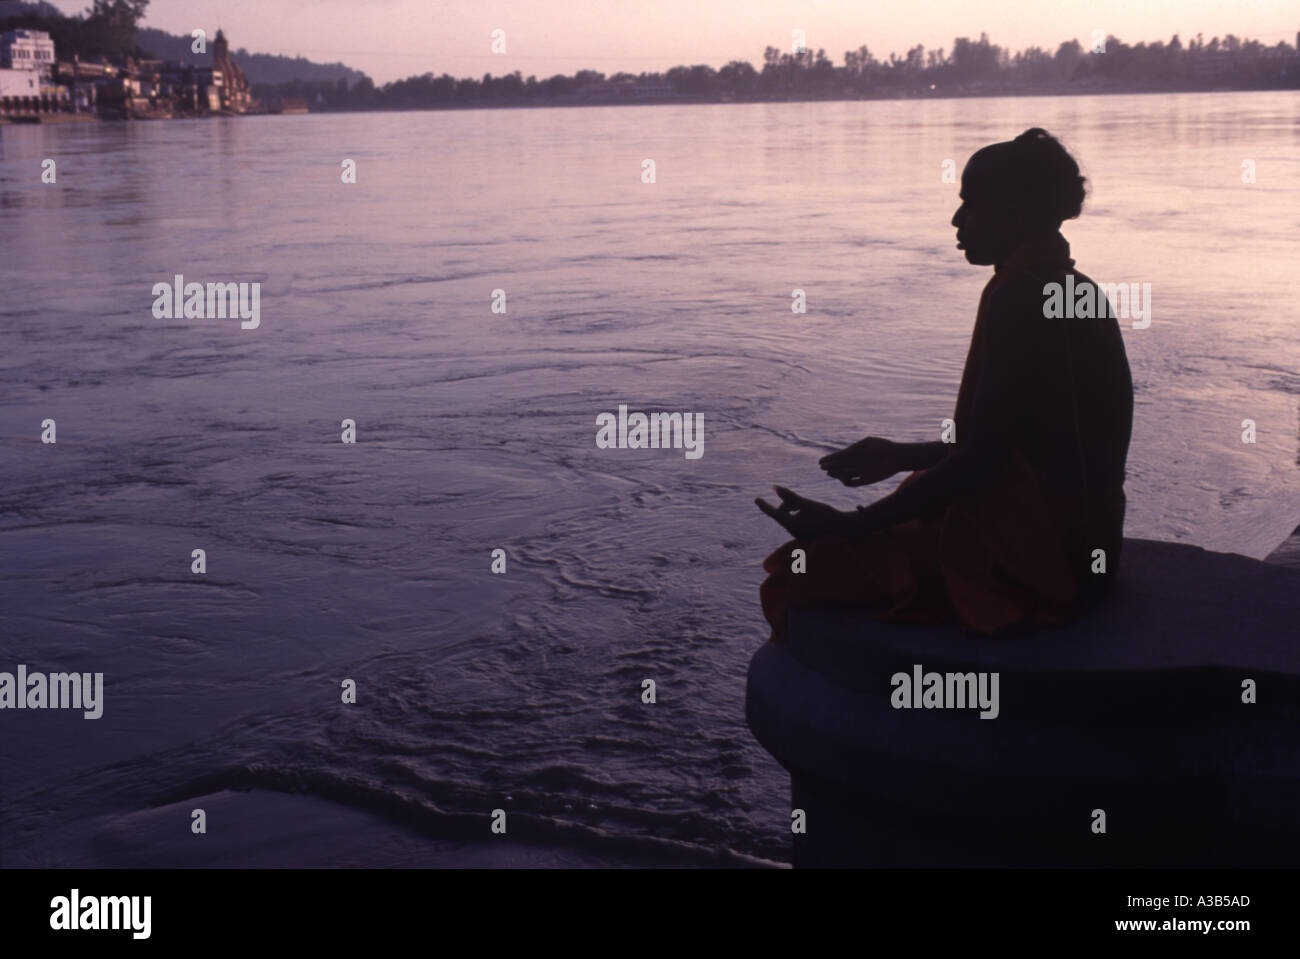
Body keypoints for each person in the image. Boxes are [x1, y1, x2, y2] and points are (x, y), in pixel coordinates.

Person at [756, 128, 1133, 642]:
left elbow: (984, 461)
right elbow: (1016, 442)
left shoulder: (1021, 297)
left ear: (1016, 211)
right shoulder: (1071, 287)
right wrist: (899, 455)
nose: (957, 221)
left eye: (971, 206)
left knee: (802, 569)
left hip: (1049, 562)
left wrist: (852, 524)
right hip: (1091, 547)